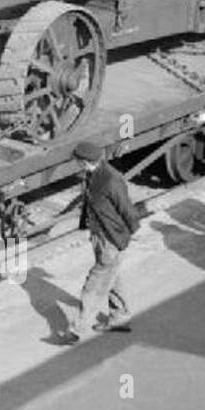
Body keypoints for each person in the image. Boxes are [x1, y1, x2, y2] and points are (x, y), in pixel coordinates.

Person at [59, 139, 140, 343]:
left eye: (78, 161)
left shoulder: (111, 180)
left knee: (94, 285)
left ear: (85, 161)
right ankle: (119, 317)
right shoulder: (92, 174)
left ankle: (78, 329)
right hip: (99, 236)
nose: (77, 165)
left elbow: (127, 210)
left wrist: (127, 236)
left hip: (110, 239)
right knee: (113, 277)